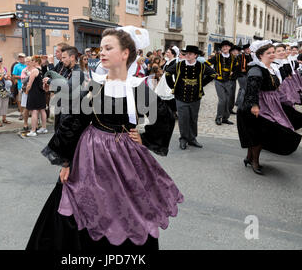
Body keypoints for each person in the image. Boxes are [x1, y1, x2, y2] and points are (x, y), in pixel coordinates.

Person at [27, 26, 183, 251]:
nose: (102, 52)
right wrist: (66, 162)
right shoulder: (96, 86)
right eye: (101, 48)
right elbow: (75, 122)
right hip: (90, 155)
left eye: (108, 48)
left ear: (125, 54)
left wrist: (144, 137)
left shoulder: (137, 87)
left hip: (125, 156)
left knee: (128, 208)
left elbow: (165, 118)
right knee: (78, 206)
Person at [236, 41, 302, 175]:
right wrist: (254, 105)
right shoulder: (256, 69)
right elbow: (252, 89)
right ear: (260, 55)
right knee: (258, 135)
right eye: (269, 53)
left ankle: (249, 158)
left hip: (270, 104)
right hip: (258, 106)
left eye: (273, 52)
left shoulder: (272, 68)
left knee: (258, 134)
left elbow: (277, 85)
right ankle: (254, 161)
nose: (272, 55)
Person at [165, 45, 216, 150]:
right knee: (183, 119)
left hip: (195, 97)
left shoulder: (201, 66)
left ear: (195, 55)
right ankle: (183, 139)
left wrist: (201, 85)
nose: (187, 55)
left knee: (193, 118)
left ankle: (192, 139)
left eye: (190, 54)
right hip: (181, 97)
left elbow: (212, 74)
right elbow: (168, 73)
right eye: (186, 53)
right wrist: (173, 86)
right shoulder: (179, 65)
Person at [207, 40, 239, 125]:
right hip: (219, 81)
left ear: (229, 48)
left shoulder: (233, 58)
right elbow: (206, 64)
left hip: (228, 81)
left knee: (228, 100)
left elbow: (237, 67)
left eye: (227, 46)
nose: (225, 48)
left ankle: (225, 118)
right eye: (223, 46)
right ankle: (218, 117)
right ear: (221, 48)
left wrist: (233, 73)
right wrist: (213, 73)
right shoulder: (217, 57)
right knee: (222, 100)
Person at [24, 56, 48, 137]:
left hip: (34, 93)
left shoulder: (34, 70)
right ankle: (44, 128)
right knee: (42, 110)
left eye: (32, 60)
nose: (31, 62)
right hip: (41, 92)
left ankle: (33, 130)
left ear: (36, 62)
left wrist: (26, 91)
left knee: (34, 111)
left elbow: (29, 84)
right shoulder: (42, 70)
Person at [234, 44, 253, 109]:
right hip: (241, 75)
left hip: (248, 74)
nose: (248, 50)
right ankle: (241, 103)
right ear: (244, 50)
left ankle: (237, 102)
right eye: (247, 49)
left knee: (241, 89)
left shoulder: (251, 56)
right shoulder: (240, 56)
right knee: (244, 89)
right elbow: (237, 65)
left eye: (249, 49)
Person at [12, 53, 27, 120]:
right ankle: (21, 113)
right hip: (20, 86)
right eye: (20, 57)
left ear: (25, 58)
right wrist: (22, 77)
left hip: (29, 85)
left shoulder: (28, 64)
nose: (21, 59)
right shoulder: (16, 66)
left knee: (28, 100)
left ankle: (26, 113)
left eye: (22, 57)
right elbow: (14, 76)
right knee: (20, 100)